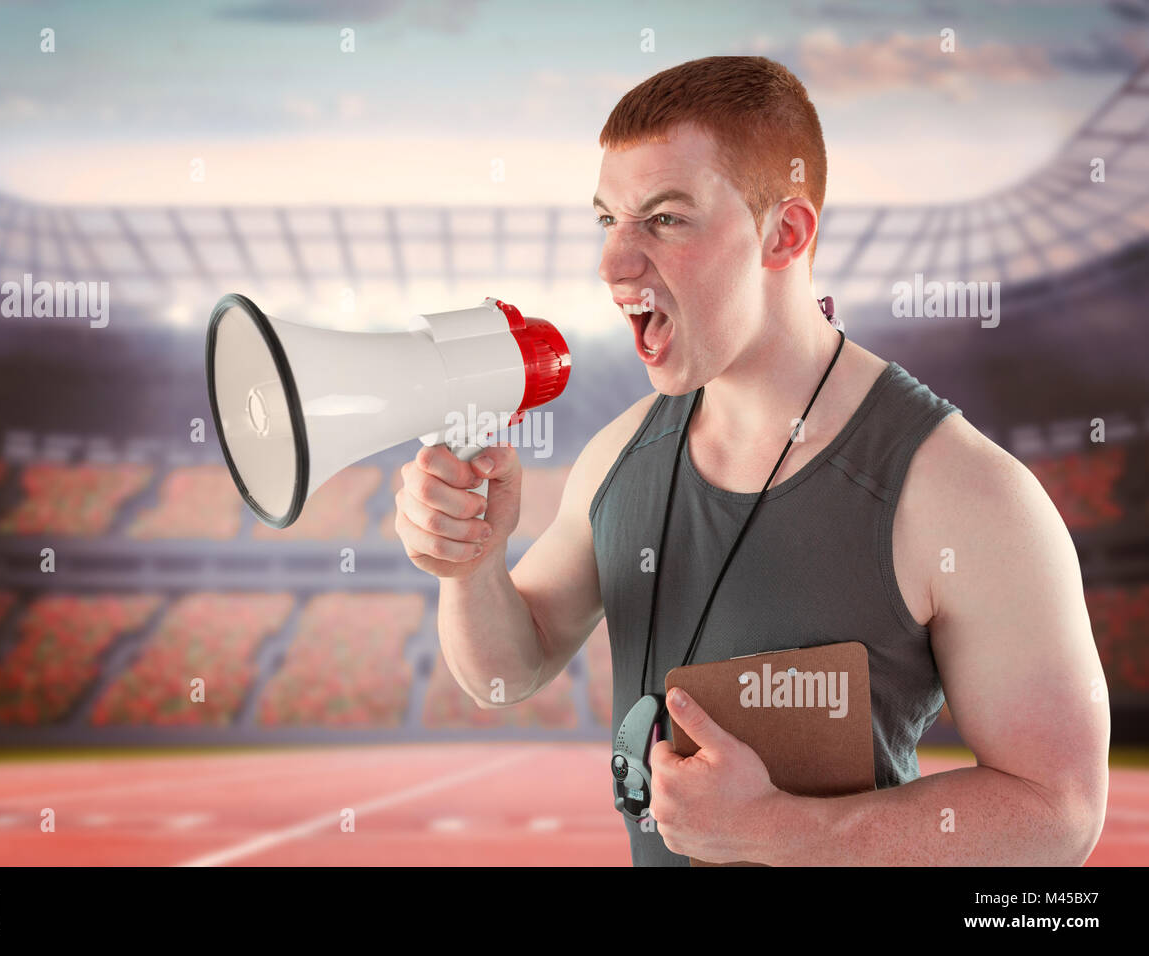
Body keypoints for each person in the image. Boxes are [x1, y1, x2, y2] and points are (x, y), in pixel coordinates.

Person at [393, 56, 1108, 866]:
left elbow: (1059, 810)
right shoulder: (617, 454)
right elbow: (507, 670)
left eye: (664, 219)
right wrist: (471, 564)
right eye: (607, 220)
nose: (613, 264)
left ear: (785, 233)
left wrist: (780, 832)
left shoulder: (965, 491)